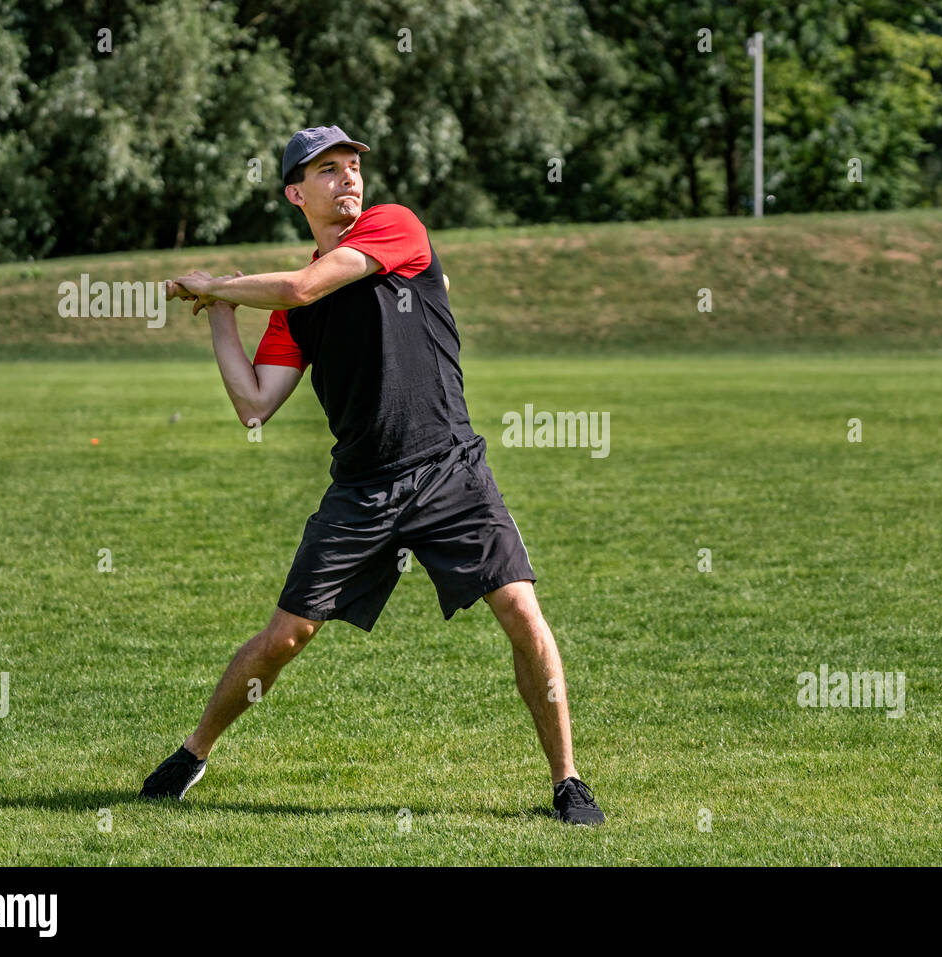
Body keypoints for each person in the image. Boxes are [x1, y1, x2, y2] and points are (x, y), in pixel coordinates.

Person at [139, 125, 604, 826]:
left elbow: (301, 284)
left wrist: (222, 282)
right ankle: (192, 751)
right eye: (328, 170)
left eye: (353, 165)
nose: (349, 178)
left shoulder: (395, 227)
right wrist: (223, 311)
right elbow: (254, 405)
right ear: (297, 192)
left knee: (521, 610)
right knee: (285, 637)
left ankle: (569, 781)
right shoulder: (291, 313)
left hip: (451, 469)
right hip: (363, 488)